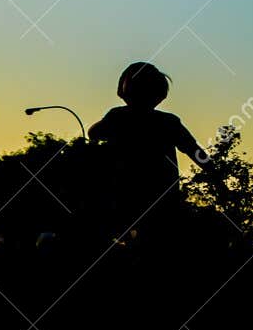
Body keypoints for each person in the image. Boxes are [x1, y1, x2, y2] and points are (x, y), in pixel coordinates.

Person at [88, 61, 211, 240]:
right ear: (159, 95)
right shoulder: (169, 122)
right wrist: (217, 178)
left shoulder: (117, 116)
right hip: (162, 202)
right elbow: (195, 152)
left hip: (123, 199)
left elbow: (93, 133)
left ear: (123, 91)